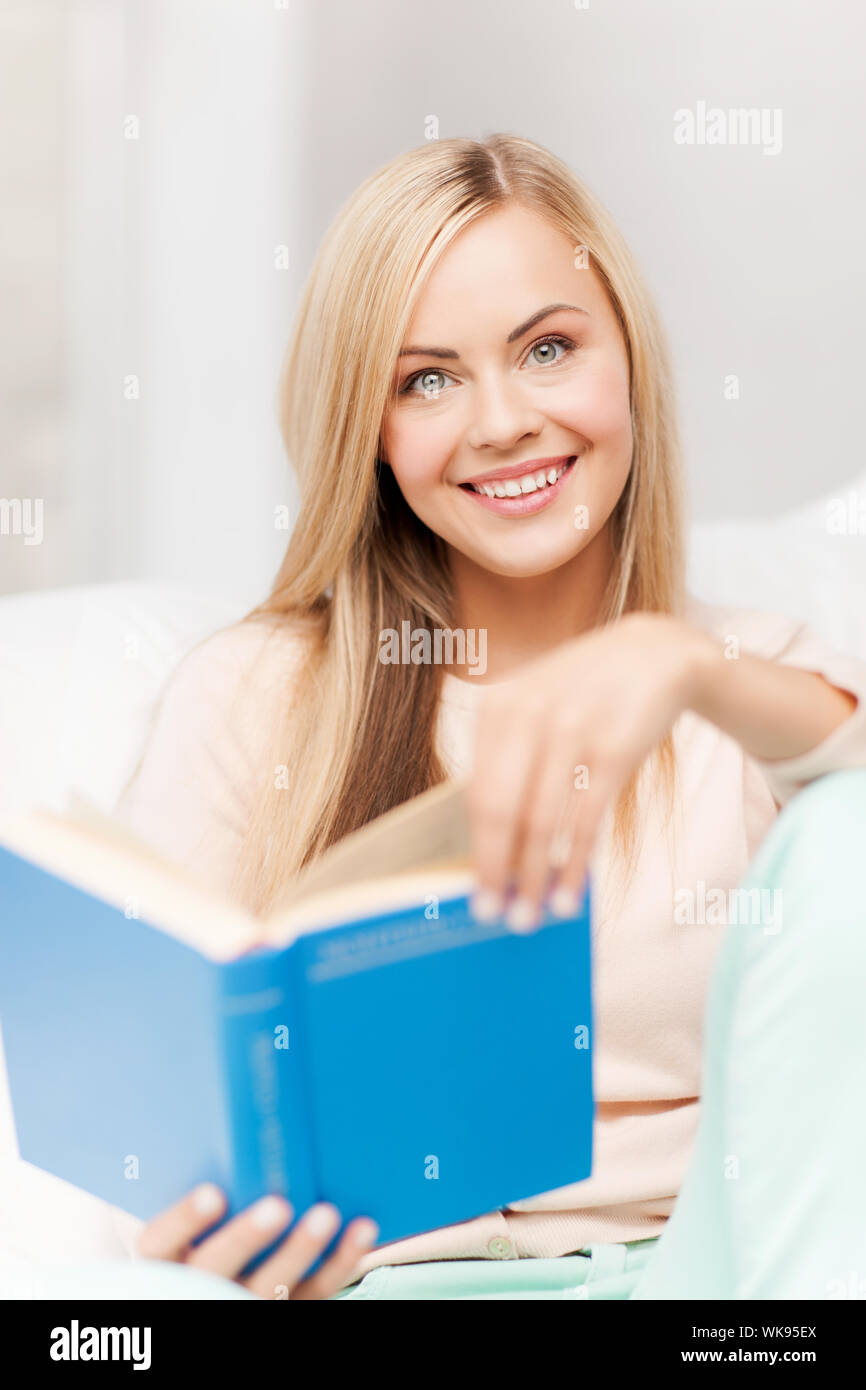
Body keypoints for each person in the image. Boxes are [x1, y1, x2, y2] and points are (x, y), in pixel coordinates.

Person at [102, 134, 866, 1300]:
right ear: (368, 429)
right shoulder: (253, 695)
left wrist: (677, 662)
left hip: (705, 1278)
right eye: (426, 378)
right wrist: (198, 1240)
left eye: (546, 349)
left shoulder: (745, 678)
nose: (501, 421)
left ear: (628, 364)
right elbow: (144, 1116)